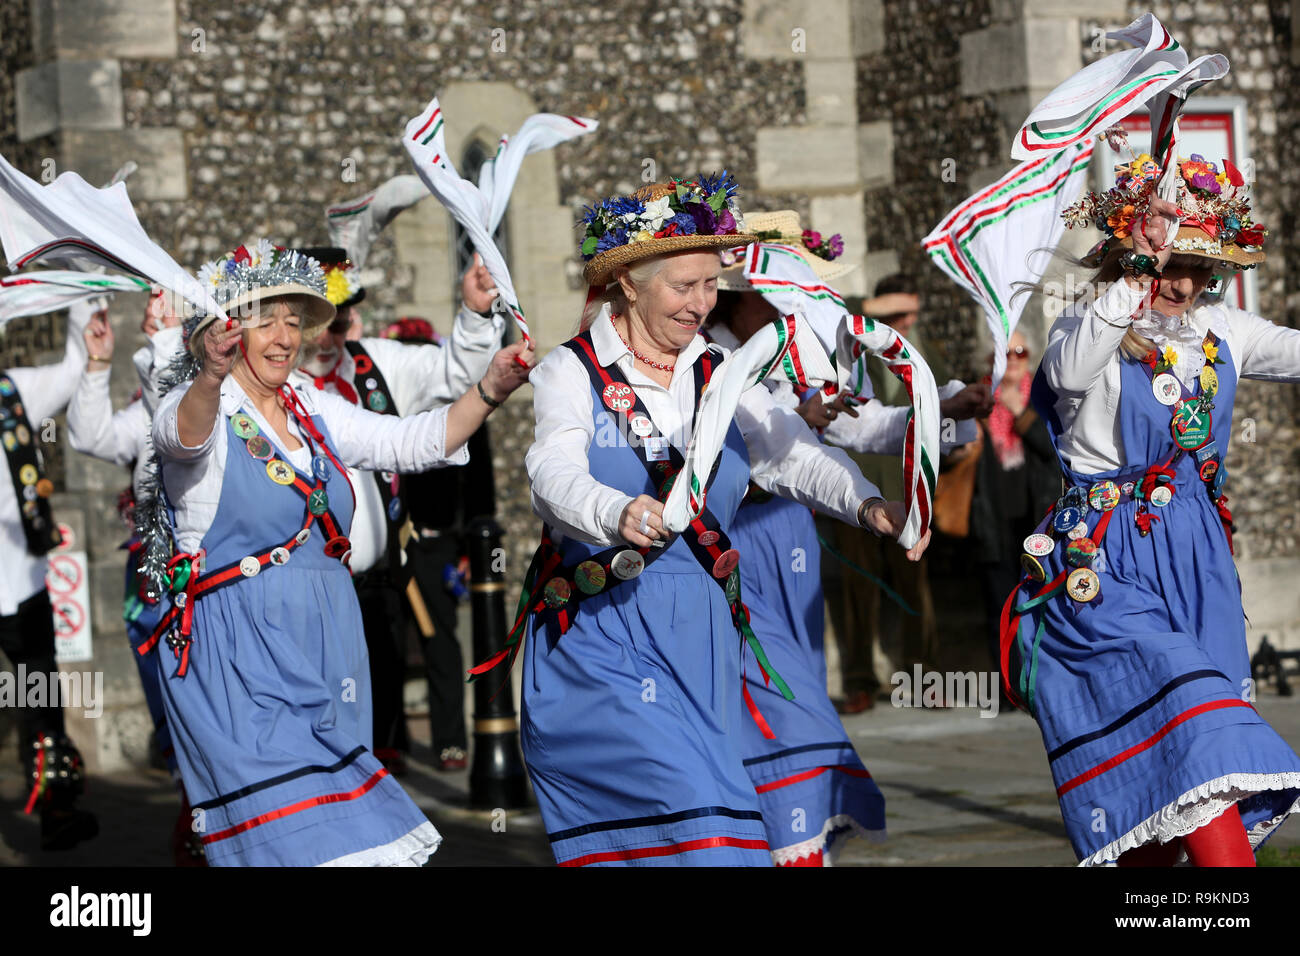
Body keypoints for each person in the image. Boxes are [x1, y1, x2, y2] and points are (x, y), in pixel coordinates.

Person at [515, 178, 924, 867]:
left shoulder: (726, 371)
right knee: (705, 832)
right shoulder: (569, 371)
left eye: (711, 284)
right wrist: (612, 509)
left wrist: (867, 505)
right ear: (627, 285)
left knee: (703, 828)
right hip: (604, 630)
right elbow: (550, 473)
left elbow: (793, 454)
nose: (702, 302)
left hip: (701, 628)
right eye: (684, 285)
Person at [146, 240, 530, 865]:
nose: (283, 337)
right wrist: (211, 376)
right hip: (241, 652)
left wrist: (490, 388)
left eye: (293, 321)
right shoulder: (200, 407)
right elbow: (182, 439)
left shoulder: (312, 407)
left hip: (330, 642)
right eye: (264, 319)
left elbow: (414, 441)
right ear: (226, 332)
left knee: (343, 827)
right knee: (302, 841)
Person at [1004, 151, 1300, 866]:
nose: (1183, 279)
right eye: (1171, 258)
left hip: (1197, 556)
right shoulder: (1084, 330)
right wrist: (1136, 273)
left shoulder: (1224, 331)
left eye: (1199, 263)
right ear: (1127, 251)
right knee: (1193, 738)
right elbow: (1069, 372)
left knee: (1176, 787)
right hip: (1107, 560)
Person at [293, 247, 501, 774]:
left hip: (377, 575)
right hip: (298, 588)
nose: (329, 338)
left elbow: (455, 373)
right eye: (316, 324)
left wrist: (474, 315)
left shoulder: (375, 363)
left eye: (338, 325)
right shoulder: (272, 388)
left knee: (379, 700)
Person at [65, 290, 205, 862]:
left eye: (163, 303)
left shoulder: (206, 395)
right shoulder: (149, 400)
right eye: (150, 303)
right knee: (165, 696)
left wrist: (163, 343)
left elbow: (173, 408)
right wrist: (97, 362)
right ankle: (192, 813)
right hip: (150, 571)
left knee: (207, 702)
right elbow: (90, 436)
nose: (151, 311)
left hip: (202, 573)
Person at [829, 275, 993, 712]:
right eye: (899, 314)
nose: (908, 322)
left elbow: (942, 413)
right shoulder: (850, 345)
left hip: (907, 488)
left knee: (914, 591)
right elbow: (848, 303)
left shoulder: (922, 352)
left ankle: (924, 680)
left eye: (912, 314)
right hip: (855, 488)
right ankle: (859, 682)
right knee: (856, 590)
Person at [0, 300, 98, 850]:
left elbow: (70, 371)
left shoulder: (11, 393)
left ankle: (58, 810)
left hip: (23, 580)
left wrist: (86, 300)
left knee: (39, 697)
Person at [963, 328, 1059, 681]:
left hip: (1036, 519)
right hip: (993, 520)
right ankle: (1007, 685)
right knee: (1000, 608)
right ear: (992, 360)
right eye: (1005, 354)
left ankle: (1043, 680)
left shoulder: (1043, 395)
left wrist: (1020, 410)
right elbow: (954, 457)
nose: (1013, 360)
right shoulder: (976, 399)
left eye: (1019, 351)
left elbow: (1053, 452)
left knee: (1043, 603)